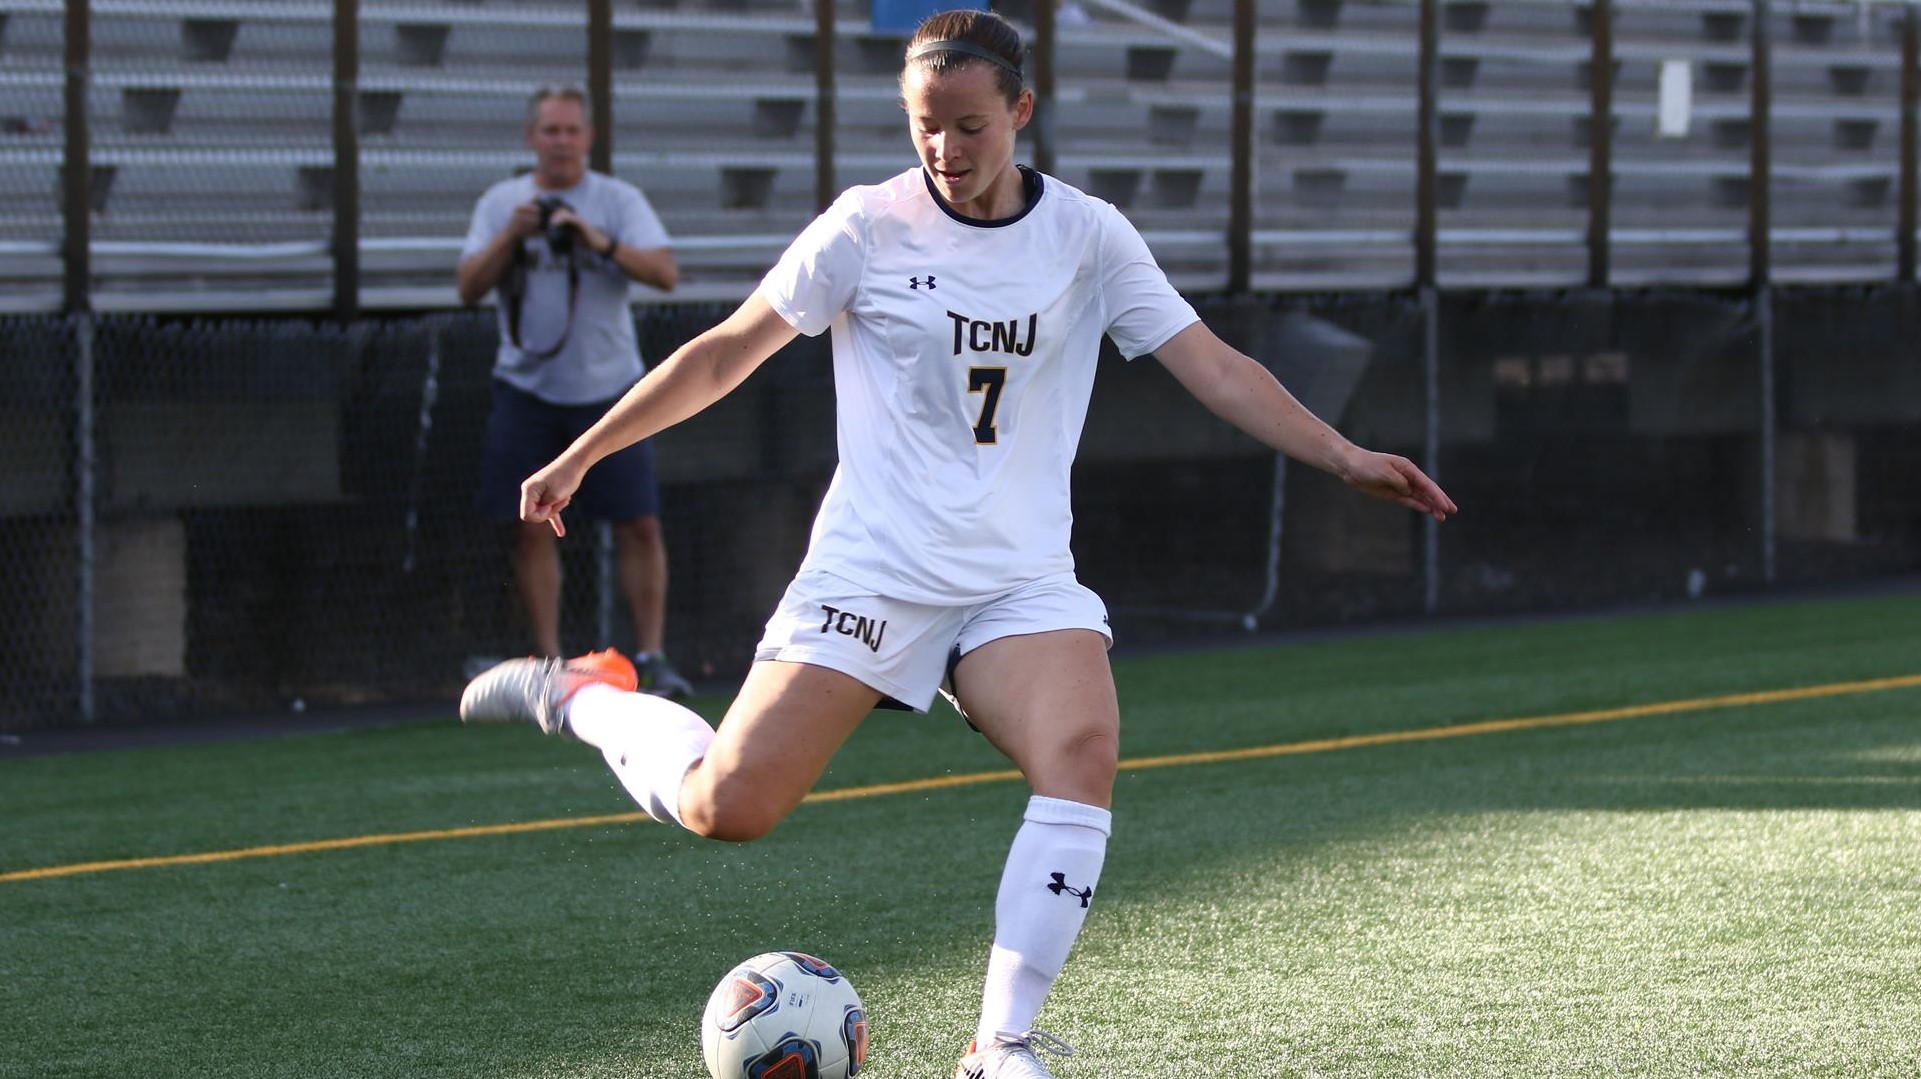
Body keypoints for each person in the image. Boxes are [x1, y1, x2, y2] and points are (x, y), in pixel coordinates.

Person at [459, 12, 1456, 1077]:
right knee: (727, 807)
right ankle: (585, 693)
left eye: (970, 125)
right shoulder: (864, 227)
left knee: (1081, 751)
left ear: (1021, 112)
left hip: (1016, 579)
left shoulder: (1087, 235)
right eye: (925, 126)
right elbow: (723, 353)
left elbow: (1208, 362)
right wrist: (586, 449)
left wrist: (1340, 452)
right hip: (873, 571)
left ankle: (1001, 1042)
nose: (945, 149)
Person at [457, 83, 692, 698]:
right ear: (530, 137)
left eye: (571, 130)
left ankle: (651, 654)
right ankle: (549, 661)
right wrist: (512, 237)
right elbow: (466, 287)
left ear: (588, 137)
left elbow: (666, 273)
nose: (561, 141)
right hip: (526, 389)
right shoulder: (503, 202)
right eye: (549, 130)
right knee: (531, 522)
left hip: (609, 392)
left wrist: (595, 239)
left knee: (639, 522)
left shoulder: (616, 200)